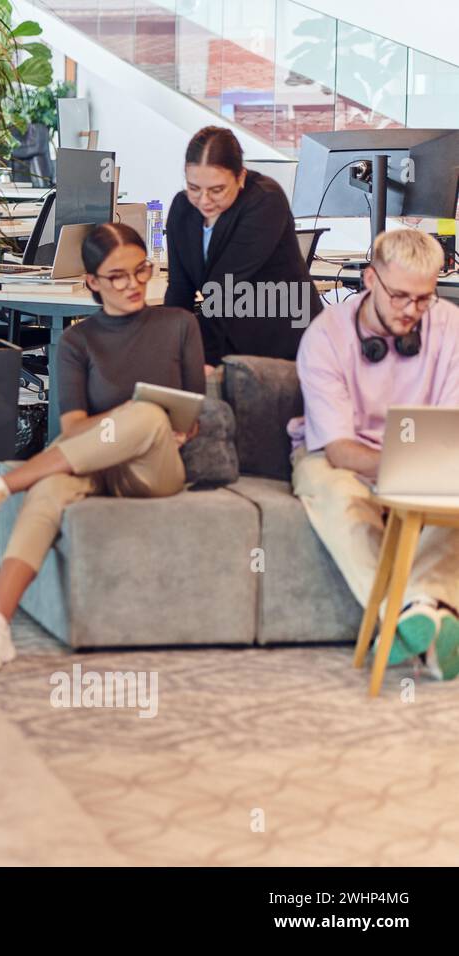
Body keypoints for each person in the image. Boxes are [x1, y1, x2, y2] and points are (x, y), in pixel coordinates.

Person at [0, 223, 205, 672]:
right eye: (117, 276)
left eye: (140, 271)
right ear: (92, 281)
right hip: (93, 464)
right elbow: (73, 428)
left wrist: (173, 427)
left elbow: (193, 408)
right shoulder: (78, 341)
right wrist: (128, 419)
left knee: (149, 416)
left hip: (157, 469)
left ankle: (0, 486)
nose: (133, 284)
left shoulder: (179, 324)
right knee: (49, 493)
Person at [290, 229, 459, 679]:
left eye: (423, 299)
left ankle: (417, 612)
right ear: (369, 279)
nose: (412, 311)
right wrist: (412, 466)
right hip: (337, 456)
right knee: (339, 495)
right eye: (400, 296)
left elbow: (449, 432)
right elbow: (341, 450)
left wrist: (430, 468)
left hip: (425, 459)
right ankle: (413, 614)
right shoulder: (326, 335)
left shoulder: (449, 325)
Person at [165, 126, 321, 368]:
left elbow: (224, 289)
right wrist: (172, 354)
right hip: (227, 339)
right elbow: (179, 289)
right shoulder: (183, 209)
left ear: (240, 177)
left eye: (217, 190)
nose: (204, 200)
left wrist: (196, 360)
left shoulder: (265, 201)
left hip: (282, 344)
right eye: (194, 188)